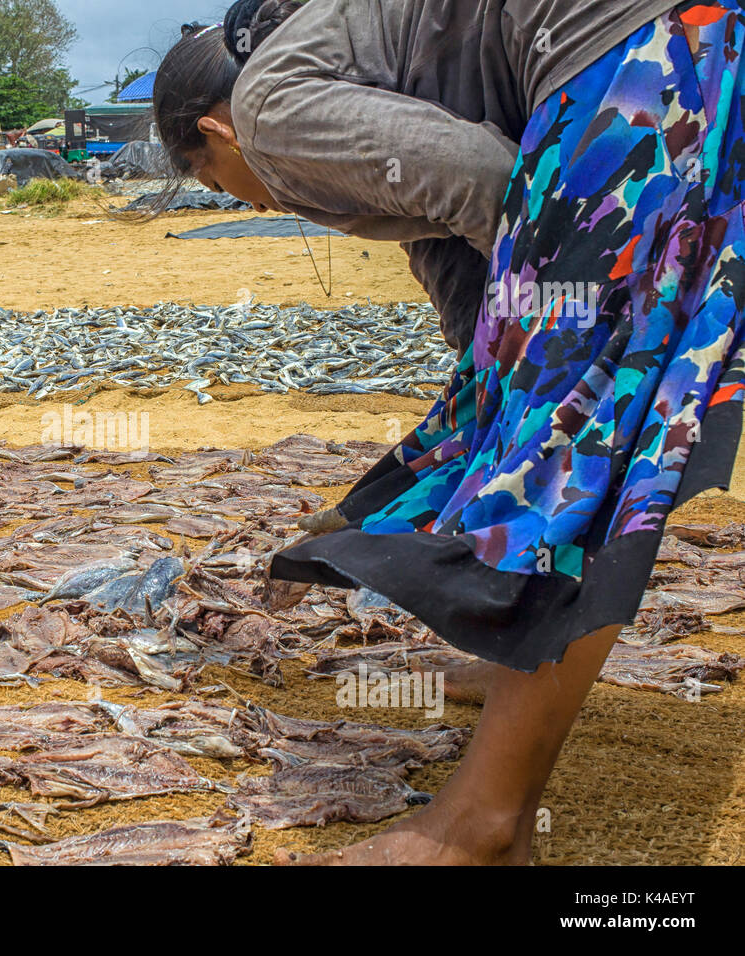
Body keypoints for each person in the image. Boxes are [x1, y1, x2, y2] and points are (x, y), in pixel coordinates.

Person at [152, 0, 745, 864]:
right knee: (548, 411)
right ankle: (508, 651)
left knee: (569, 448)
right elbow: (456, 258)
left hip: (644, 56)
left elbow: (482, 178)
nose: (240, 196)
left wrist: (540, 357)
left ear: (218, 131)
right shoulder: (359, 67)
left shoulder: (271, 112)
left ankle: (482, 826)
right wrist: (494, 380)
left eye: (214, 183)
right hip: (693, 42)